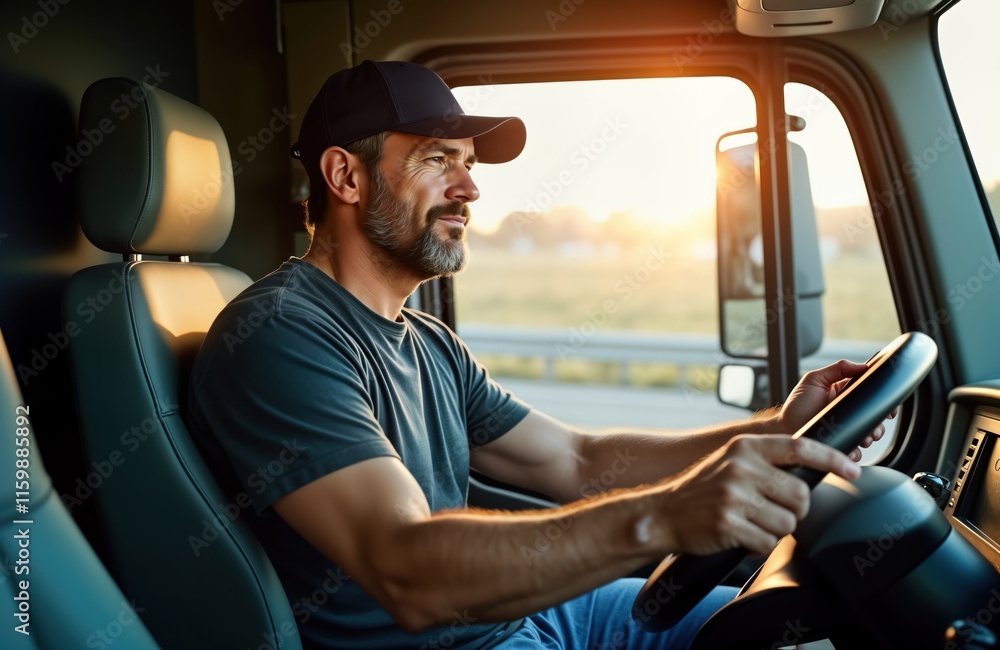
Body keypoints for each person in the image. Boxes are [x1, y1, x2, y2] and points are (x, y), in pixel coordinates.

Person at [187, 60, 885, 649]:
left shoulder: (428, 341)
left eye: (467, 164)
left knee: (806, 631)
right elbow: (406, 570)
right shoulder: (282, 335)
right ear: (345, 176)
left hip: (524, 616)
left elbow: (577, 460)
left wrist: (777, 429)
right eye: (437, 160)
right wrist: (665, 516)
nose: (470, 188)